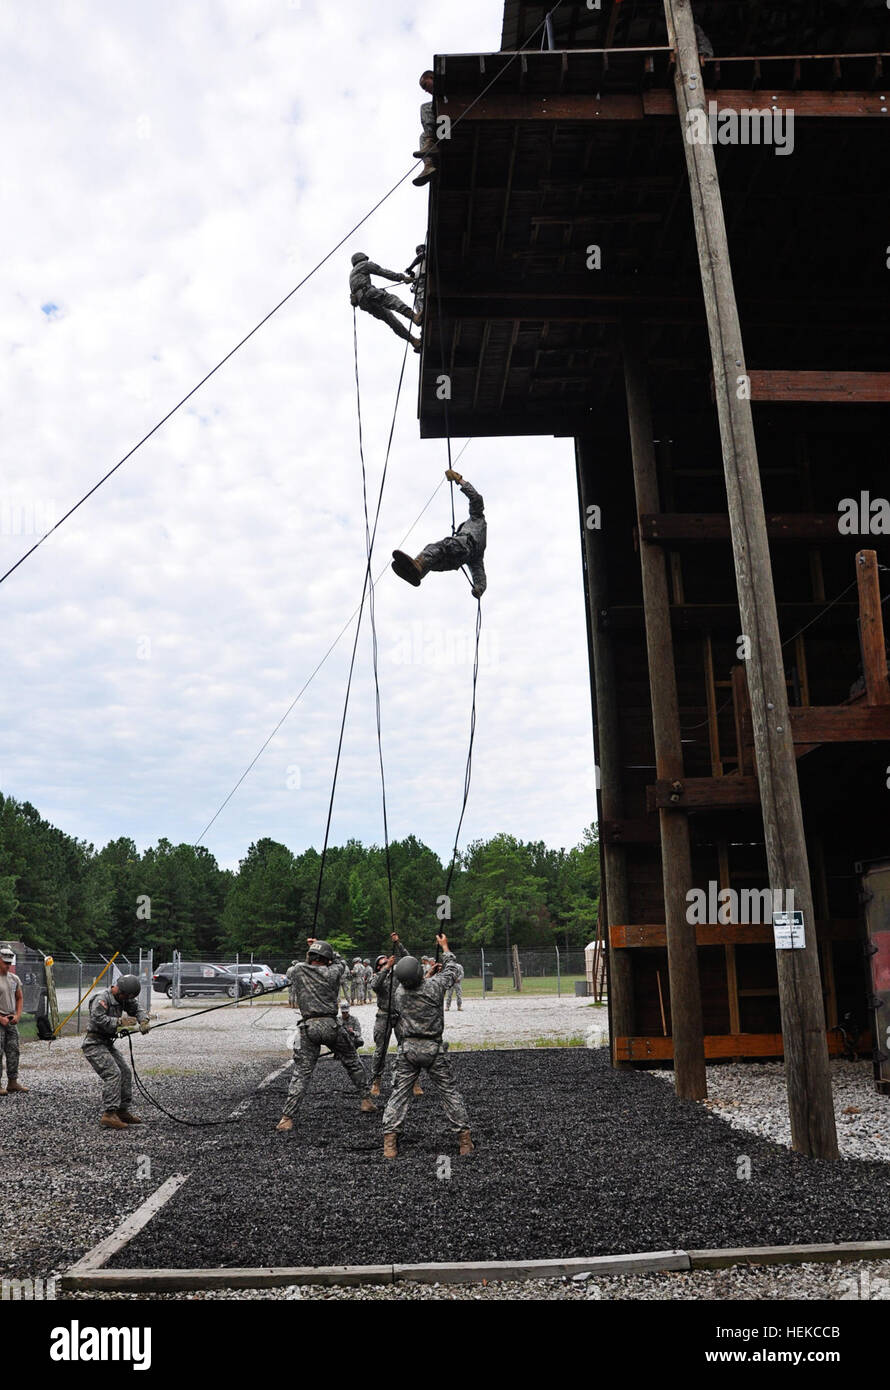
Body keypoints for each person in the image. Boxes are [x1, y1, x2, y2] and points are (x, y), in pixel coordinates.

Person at [381, 933, 473, 1159]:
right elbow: (452, 970)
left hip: (408, 1050)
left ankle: (390, 1143)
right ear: (420, 975)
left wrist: (427, 975)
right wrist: (444, 946)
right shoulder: (434, 988)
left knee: (399, 1095)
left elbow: (418, 986)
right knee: (449, 1093)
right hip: (433, 1049)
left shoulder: (400, 993)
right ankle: (464, 1140)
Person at [276, 939, 375, 1132]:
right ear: (327, 959)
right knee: (352, 1061)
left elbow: (297, 968)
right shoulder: (333, 971)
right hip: (331, 1025)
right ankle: (366, 1099)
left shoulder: (298, 970)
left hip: (308, 1027)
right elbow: (342, 964)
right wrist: (328, 950)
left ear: (310, 957)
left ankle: (286, 1118)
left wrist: (310, 948)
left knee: (301, 1074)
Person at [391, 469, 487, 597]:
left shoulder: (477, 519)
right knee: (433, 561)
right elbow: (479, 574)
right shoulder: (478, 553)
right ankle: (416, 573)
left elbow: (476, 498)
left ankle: (418, 565)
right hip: (455, 562)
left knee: (435, 548)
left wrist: (459, 480)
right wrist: (479, 589)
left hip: (461, 546)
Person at [82, 974, 150, 1129]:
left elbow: (137, 1008)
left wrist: (144, 1021)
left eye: (129, 997)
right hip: (94, 1043)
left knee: (125, 1072)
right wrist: (120, 1022)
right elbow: (99, 1020)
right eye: (126, 996)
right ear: (119, 990)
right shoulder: (102, 999)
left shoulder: (123, 998)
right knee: (113, 1073)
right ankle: (109, 1114)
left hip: (107, 1043)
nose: (127, 999)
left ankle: (122, 1110)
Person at [368, 934, 421, 1099]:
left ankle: (414, 1081)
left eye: (387, 961)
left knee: (407, 1048)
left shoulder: (398, 975)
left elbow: (410, 961)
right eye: (382, 963)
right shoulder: (377, 976)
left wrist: (398, 943)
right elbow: (375, 986)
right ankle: (376, 1081)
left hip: (399, 1016)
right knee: (380, 1051)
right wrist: (386, 968)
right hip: (383, 1016)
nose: (387, 963)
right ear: (378, 967)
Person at [349, 252, 421, 351]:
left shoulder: (351, 275)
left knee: (391, 320)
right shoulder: (363, 265)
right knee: (393, 300)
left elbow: (354, 296)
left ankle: (414, 341)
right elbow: (382, 272)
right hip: (368, 293)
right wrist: (402, 278)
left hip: (363, 303)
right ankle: (415, 317)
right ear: (362, 258)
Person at [0, 946, 27, 1096]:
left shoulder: (14, 979)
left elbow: (19, 997)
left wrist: (17, 1015)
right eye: (5, 962)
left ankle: (12, 1082)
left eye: (9, 963)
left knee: (13, 1051)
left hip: (10, 1019)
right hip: (0, 1019)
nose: (8, 965)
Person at [413, 71, 438, 186]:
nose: (425, 90)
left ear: (431, 77)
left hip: (451, 115)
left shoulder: (445, 84)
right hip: (444, 123)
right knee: (422, 137)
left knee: (425, 107)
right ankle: (428, 166)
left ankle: (430, 141)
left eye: (425, 85)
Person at [405, 244, 426, 320]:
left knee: (423, 302)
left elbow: (420, 257)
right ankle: (422, 323)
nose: (417, 252)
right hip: (418, 286)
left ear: (423, 249)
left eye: (418, 250)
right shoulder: (420, 263)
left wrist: (410, 268)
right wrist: (412, 274)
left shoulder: (425, 254)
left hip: (423, 283)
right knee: (417, 305)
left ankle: (423, 317)